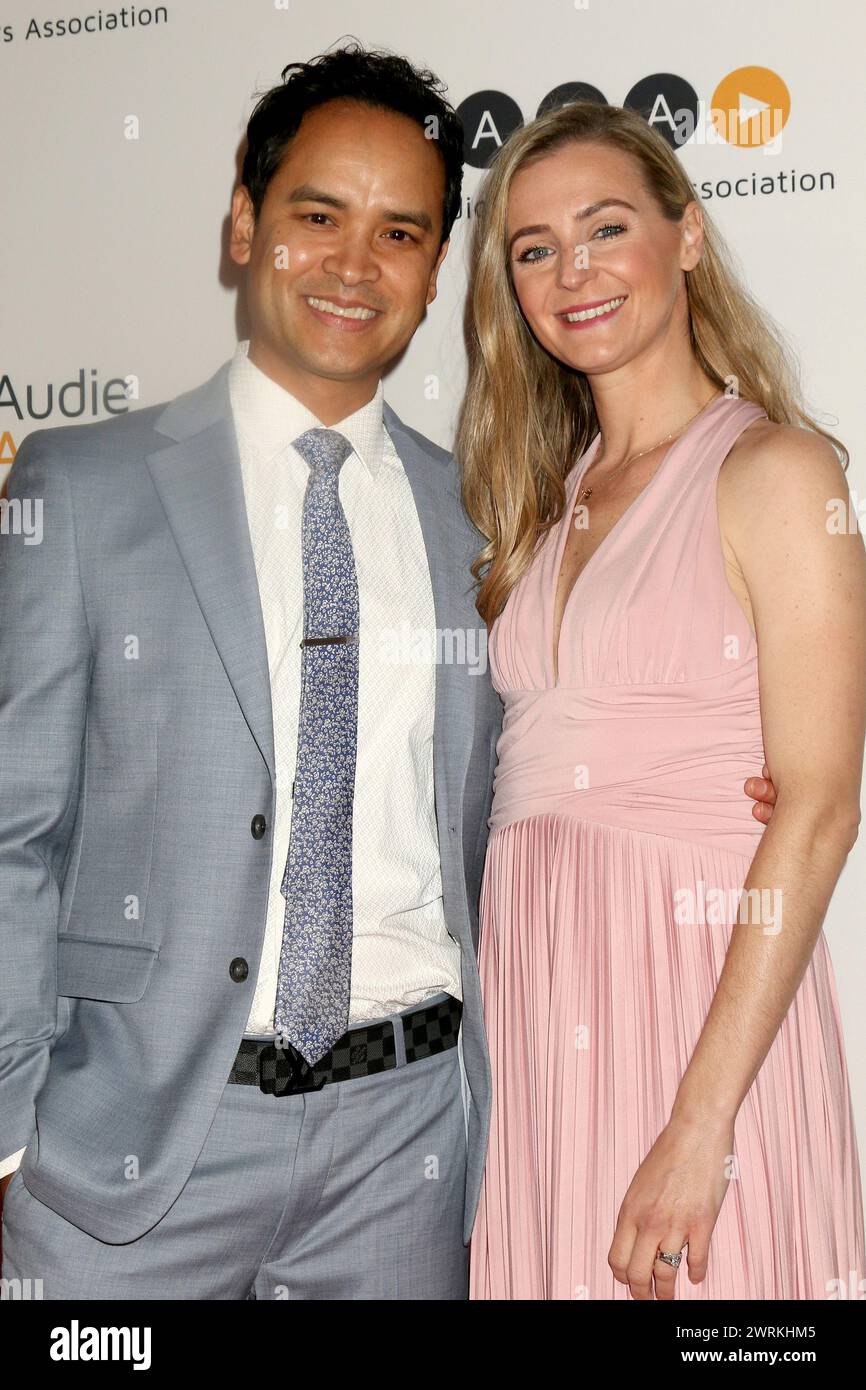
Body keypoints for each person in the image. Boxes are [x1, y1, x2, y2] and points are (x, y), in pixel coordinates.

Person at [0, 45, 775, 1301]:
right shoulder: (82, 489)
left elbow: (553, 749)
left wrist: (726, 778)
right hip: (127, 1164)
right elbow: (13, 829)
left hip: (408, 1153)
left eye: (402, 232)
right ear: (245, 226)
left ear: (432, 276)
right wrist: (11, 1135)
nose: (356, 264)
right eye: (318, 216)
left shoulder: (486, 519)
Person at [458, 99, 866, 1300]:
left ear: (686, 237)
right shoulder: (532, 507)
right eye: (533, 248)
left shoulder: (779, 473)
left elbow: (818, 807)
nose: (570, 272)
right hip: (533, 1009)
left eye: (604, 228)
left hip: (700, 1014)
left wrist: (700, 1126)